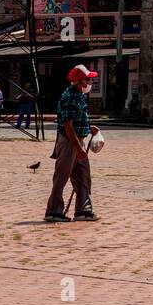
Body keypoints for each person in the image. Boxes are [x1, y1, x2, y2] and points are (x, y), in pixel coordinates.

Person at [44, 65, 100, 223]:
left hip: (78, 140)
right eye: (87, 79)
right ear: (78, 81)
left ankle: (83, 211)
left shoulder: (80, 95)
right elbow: (68, 126)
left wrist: (89, 128)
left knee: (83, 176)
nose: (90, 82)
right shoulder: (69, 96)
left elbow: (77, 120)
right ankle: (54, 211)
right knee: (61, 177)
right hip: (69, 142)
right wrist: (77, 148)